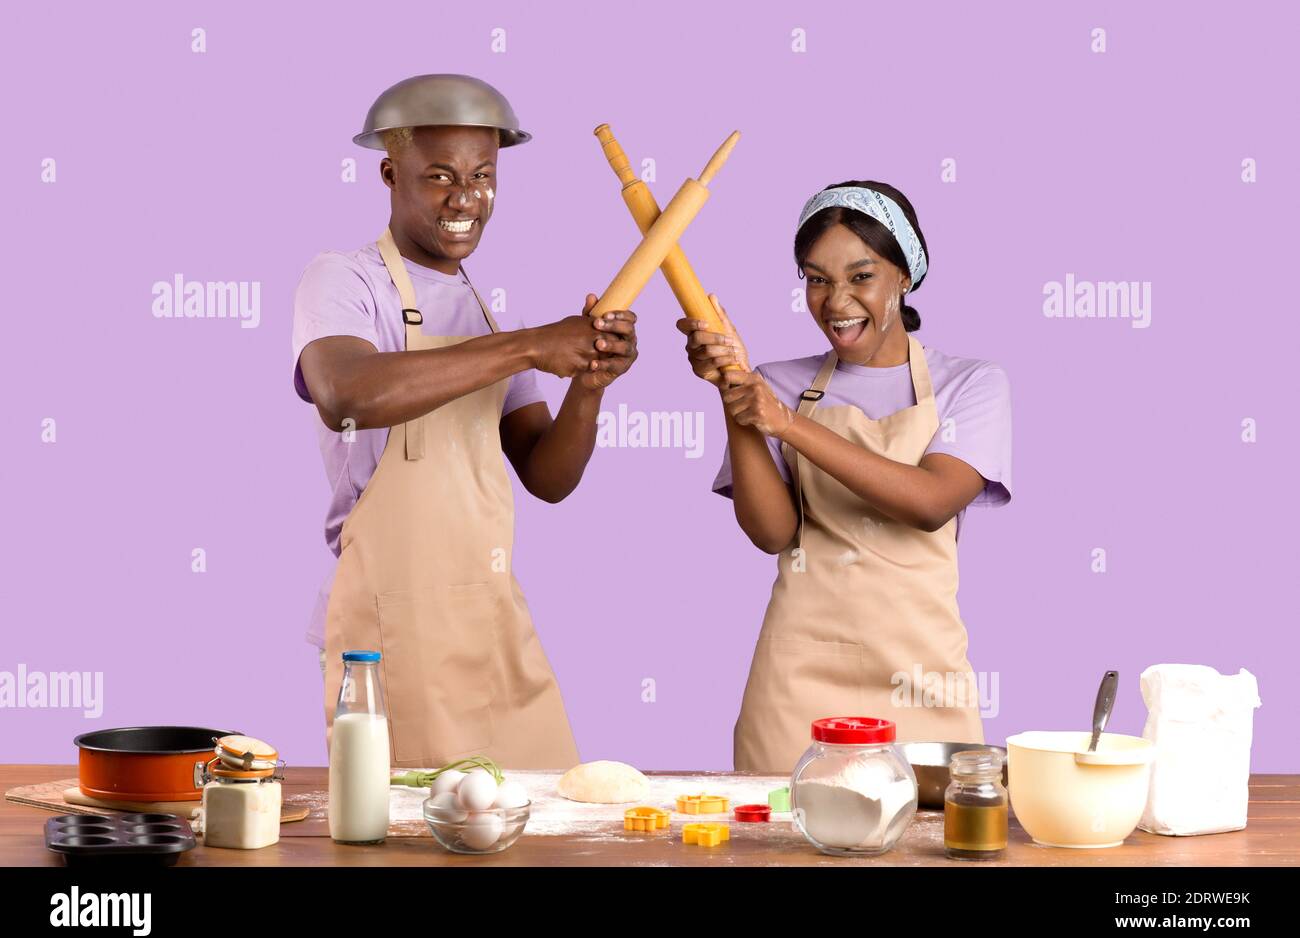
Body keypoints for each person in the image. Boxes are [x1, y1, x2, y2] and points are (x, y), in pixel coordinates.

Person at [292, 75, 638, 768]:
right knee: (412, 817)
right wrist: (531, 346)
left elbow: (548, 476)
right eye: (440, 176)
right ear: (390, 174)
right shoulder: (344, 281)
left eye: (483, 176)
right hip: (393, 630)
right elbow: (347, 394)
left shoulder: (487, 316)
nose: (465, 199)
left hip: (493, 621)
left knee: (551, 809)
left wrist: (590, 384)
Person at [677, 181, 1012, 773]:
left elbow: (931, 502)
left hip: (921, 679)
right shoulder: (775, 383)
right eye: (817, 279)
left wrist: (787, 424)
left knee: (935, 829)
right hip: (796, 682)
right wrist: (735, 394)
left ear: (903, 276)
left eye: (861, 276)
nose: (836, 301)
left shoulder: (971, 383)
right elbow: (772, 533)